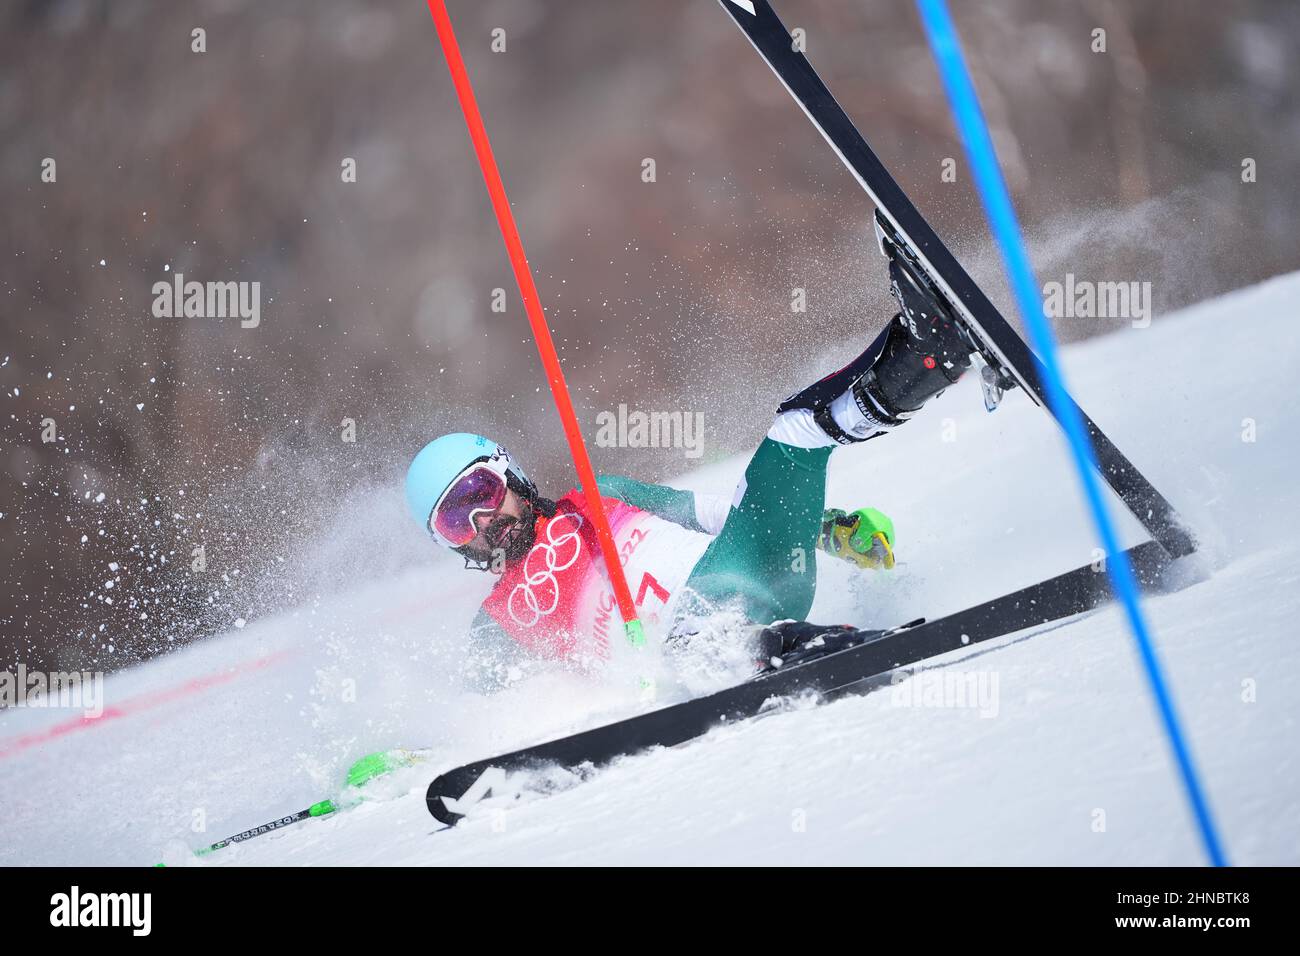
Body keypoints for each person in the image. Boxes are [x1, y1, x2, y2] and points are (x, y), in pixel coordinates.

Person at [406, 238, 975, 687]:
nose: (483, 524)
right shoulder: (501, 619)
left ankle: (933, 350)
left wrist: (828, 531)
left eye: (478, 494)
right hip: (690, 637)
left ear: (510, 476)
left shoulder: (596, 494)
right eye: (456, 523)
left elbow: (711, 512)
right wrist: (396, 766)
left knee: (797, 428)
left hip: (755, 563)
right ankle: (792, 646)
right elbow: (473, 719)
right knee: (706, 633)